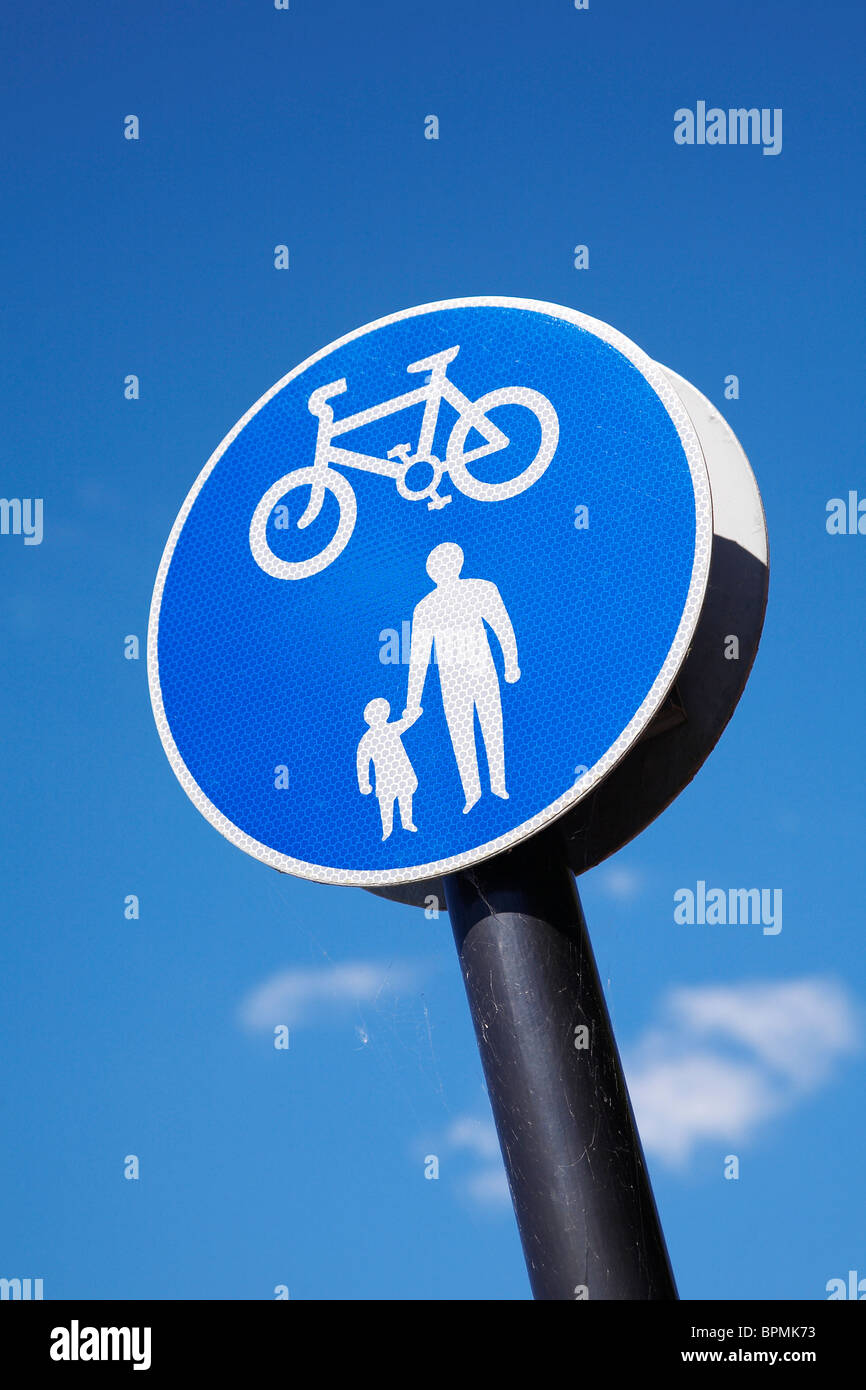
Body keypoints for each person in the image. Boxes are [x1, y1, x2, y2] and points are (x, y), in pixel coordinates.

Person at [404, 543, 520, 813]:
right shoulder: (425, 607)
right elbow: (419, 657)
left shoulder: (482, 589)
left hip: (483, 670)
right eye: (435, 566)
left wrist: (511, 664)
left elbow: (502, 625)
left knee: (493, 727)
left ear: (458, 562)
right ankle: (471, 794)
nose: (440, 570)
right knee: (461, 736)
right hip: (452, 680)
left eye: (445, 563)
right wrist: (413, 701)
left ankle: (499, 785)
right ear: (430, 572)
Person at [356, 698, 421, 840]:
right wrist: (364, 783)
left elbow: (406, 723)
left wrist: (414, 714)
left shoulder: (391, 728)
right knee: (386, 803)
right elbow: (362, 762)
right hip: (385, 779)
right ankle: (387, 830)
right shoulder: (367, 739)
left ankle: (407, 823)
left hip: (402, 772)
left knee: (405, 797)